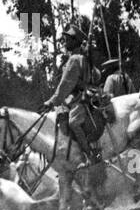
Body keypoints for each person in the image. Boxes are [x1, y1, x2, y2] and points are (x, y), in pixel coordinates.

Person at [43, 19, 105, 183]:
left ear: (75, 41)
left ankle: (88, 155)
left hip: (80, 99)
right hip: (81, 97)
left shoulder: (75, 60)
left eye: (68, 39)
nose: (65, 42)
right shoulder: (80, 58)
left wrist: (52, 101)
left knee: (73, 122)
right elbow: (97, 76)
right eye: (65, 39)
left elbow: (65, 86)